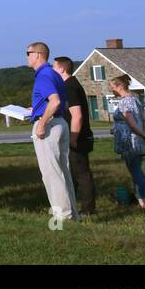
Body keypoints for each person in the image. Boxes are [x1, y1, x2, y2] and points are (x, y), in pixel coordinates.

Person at [27, 42, 80, 221]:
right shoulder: (55, 74)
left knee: (51, 173)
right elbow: (61, 103)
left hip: (49, 126)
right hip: (60, 122)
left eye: (28, 53)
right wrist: (36, 108)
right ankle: (73, 214)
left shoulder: (43, 75)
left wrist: (41, 123)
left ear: (38, 55)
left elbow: (55, 101)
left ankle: (62, 216)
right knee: (63, 172)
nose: (27, 56)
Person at [54, 56, 96, 217]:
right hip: (76, 136)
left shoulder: (70, 87)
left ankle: (88, 210)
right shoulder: (68, 85)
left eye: (54, 67)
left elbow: (77, 115)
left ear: (62, 69)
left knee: (82, 174)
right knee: (72, 173)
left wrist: (72, 138)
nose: (52, 70)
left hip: (78, 137)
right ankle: (72, 205)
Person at [109, 75, 145, 209]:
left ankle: (142, 201)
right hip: (139, 141)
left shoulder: (124, 102)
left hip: (129, 141)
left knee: (135, 172)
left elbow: (131, 123)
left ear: (120, 87)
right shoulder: (136, 100)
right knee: (139, 171)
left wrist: (142, 135)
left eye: (112, 87)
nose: (112, 90)